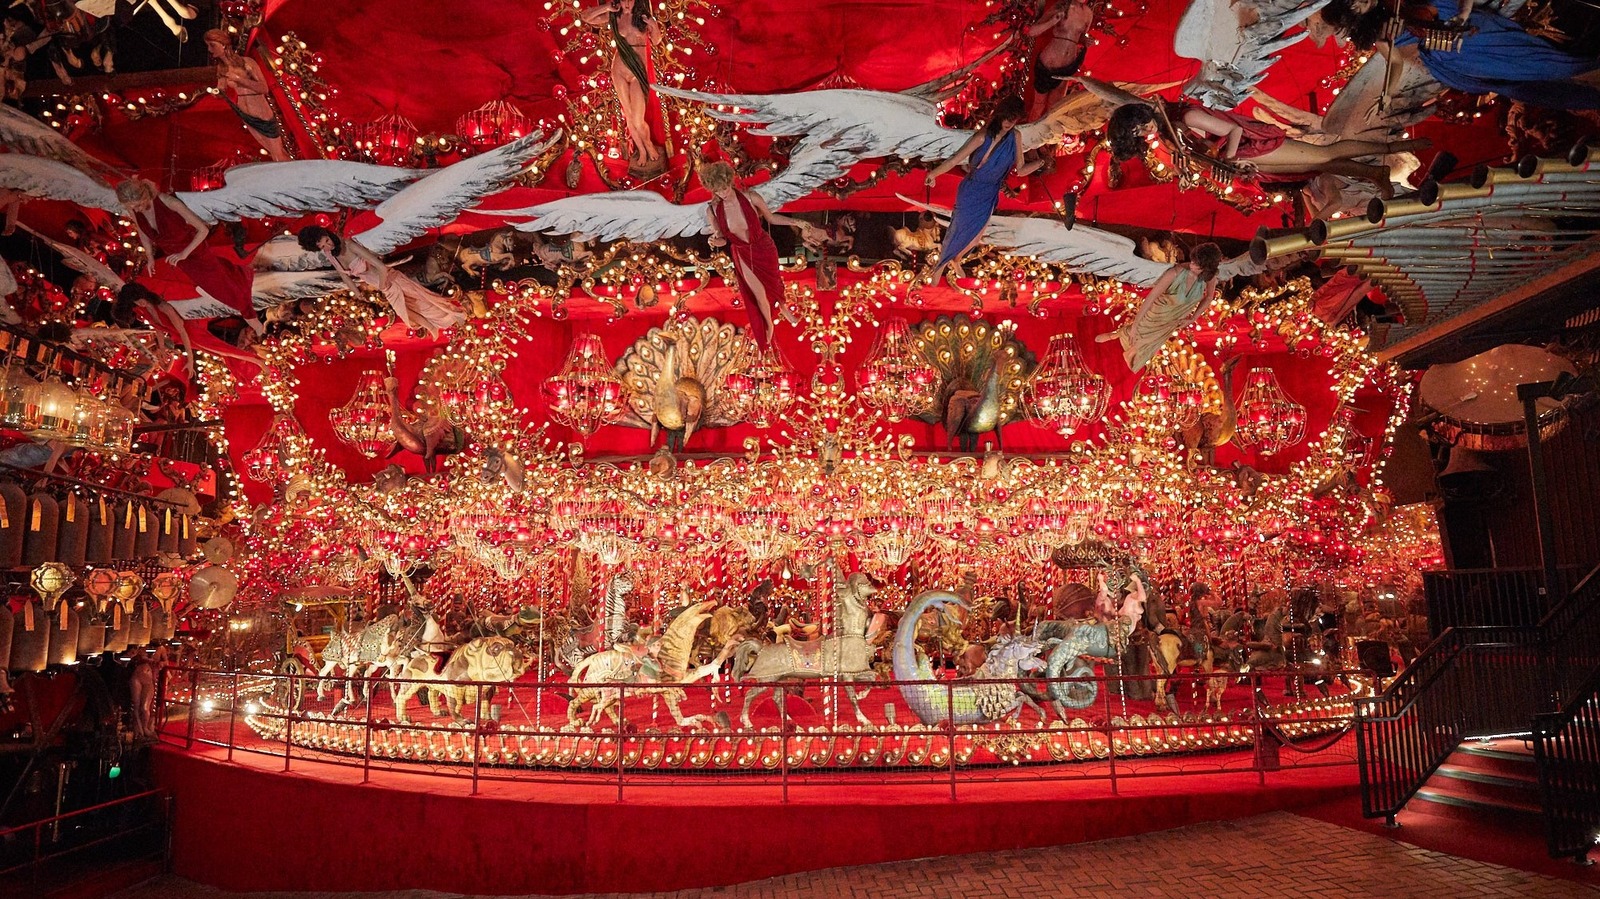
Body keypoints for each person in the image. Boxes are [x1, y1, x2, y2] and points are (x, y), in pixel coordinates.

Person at [1099, 88, 1427, 197]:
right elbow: (1202, 155)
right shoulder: (1170, 133)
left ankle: (1392, 149)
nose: (1145, 138)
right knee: (1319, 166)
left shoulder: (1185, 119)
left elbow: (1232, 132)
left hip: (1254, 146)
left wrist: (1226, 160)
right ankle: (1376, 176)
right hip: (1248, 162)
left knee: (1325, 154)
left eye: (1140, 133)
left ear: (1141, 123)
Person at [1322, 0, 1600, 111]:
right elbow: (1393, 61)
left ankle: (1581, 62)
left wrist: (1464, 13)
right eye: (1355, 5)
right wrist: (1388, 93)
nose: (1361, 2)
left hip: (1467, 32)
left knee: (1539, 60)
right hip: (1449, 56)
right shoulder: (1379, 30)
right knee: (1520, 81)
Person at [698, 161, 822, 350]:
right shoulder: (713, 210)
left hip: (763, 246)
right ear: (712, 189)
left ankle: (783, 307)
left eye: (724, 188)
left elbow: (771, 218)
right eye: (718, 191)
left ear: (729, 181)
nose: (723, 193)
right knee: (759, 293)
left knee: (773, 282)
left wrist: (797, 222)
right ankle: (768, 327)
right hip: (741, 252)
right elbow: (722, 239)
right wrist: (715, 242)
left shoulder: (750, 198)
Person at [115, 178, 262, 335]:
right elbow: (143, 232)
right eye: (132, 207)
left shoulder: (168, 202)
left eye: (137, 205)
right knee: (222, 287)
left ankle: (256, 325)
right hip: (182, 261)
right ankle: (247, 288)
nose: (136, 210)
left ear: (144, 196)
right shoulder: (134, 209)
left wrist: (184, 253)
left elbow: (203, 230)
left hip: (196, 253)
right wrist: (150, 256)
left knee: (228, 293)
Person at [923, 96, 1044, 283]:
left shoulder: (1015, 136)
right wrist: (933, 174)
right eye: (1008, 118)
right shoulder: (982, 137)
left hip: (990, 191)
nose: (1010, 123)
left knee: (977, 235)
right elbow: (955, 159)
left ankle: (956, 260)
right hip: (972, 188)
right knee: (960, 228)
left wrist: (1040, 163)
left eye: (1014, 120)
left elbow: (1020, 170)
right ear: (1000, 115)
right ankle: (940, 266)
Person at [297, 225, 466, 338]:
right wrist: (356, 292)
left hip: (391, 279)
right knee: (409, 309)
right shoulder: (330, 255)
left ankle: (450, 318)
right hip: (382, 286)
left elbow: (381, 267)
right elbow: (344, 276)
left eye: (327, 240)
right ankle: (434, 325)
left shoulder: (349, 245)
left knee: (422, 302)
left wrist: (384, 283)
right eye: (322, 246)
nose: (328, 246)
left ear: (328, 234)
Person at [1095, 242, 1222, 371]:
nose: (1192, 264)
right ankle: (1115, 335)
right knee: (1139, 333)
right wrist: (1135, 325)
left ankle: (1129, 347)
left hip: (1174, 319)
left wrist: (1193, 318)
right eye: (1193, 260)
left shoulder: (1209, 277)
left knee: (1150, 342)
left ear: (1206, 268)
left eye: (1197, 264)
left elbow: (1209, 298)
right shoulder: (1175, 273)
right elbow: (1151, 298)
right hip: (1158, 312)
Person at [581, 0, 665, 176]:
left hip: (637, 72)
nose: (627, 3)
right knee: (628, 115)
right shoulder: (613, 15)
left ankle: (648, 144)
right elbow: (586, 17)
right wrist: (606, 7)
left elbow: (656, 41)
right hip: (619, 68)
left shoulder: (643, 17)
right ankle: (641, 150)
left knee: (637, 119)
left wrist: (653, 25)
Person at [203, 29, 289, 161]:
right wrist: (217, 92)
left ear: (223, 44)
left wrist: (239, 79)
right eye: (208, 46)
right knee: (269, 149)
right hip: (244, 111)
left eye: (212, 45)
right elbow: (221, 89)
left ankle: (292, 173)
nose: (209, 49)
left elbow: (263, 88)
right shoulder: (222, 69)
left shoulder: (246, 63)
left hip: (260, 109)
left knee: (277, 151)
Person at [1028, 0, 1094, 118]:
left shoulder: (1088, 13)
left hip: (1068, 66)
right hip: (1050, 62)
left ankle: (1049, 135)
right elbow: (1032, 32)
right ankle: (1029, 133)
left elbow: (1078, 36)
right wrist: (1052, 21)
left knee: (1055, 107)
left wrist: (1085, 41)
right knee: (1039, 105)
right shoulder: (1062, 6)